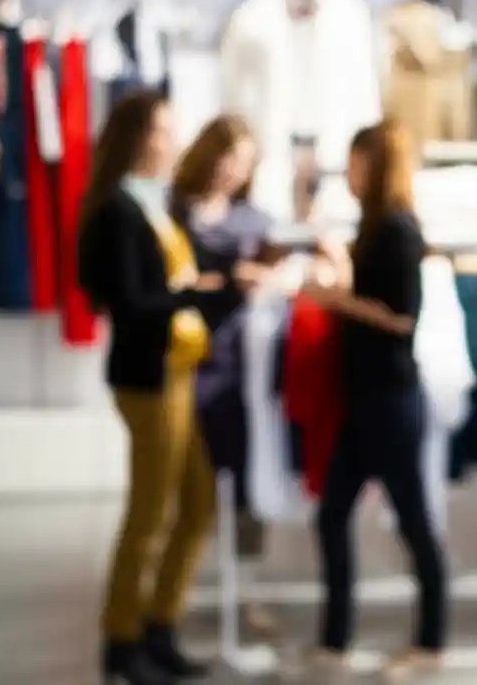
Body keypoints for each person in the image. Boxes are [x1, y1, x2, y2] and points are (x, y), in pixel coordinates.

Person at [77, 91, 222, 684]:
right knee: (151, 513)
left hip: (175, 371)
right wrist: (194, 295)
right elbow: (131, 302)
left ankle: (160, 625)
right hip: (148, 376)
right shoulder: (119, 209)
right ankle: (123, 638)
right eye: (163, 130)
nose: (172, 140)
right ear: (139, 137)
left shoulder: (154, 204)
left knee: (197, 503)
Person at [301, 119, 448, 679]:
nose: (349, 175)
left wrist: (334, 300)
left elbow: (402, 318)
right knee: (332, 516)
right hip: (365, 399)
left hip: (390, 400)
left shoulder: (399, 230)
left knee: (413, 522)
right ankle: (335, 641)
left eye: (356, 164)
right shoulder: (375, 228)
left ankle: (430, 642)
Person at [169, 114, 279, 637]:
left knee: (245, 482)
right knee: (189, 484)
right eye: (230, 158)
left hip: (238, 363)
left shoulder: (253, 219)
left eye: (245, 163)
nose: (235, 170)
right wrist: (226, 281)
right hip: (187, 359)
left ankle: (245, 588)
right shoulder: (175, 211)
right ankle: (175, 589)